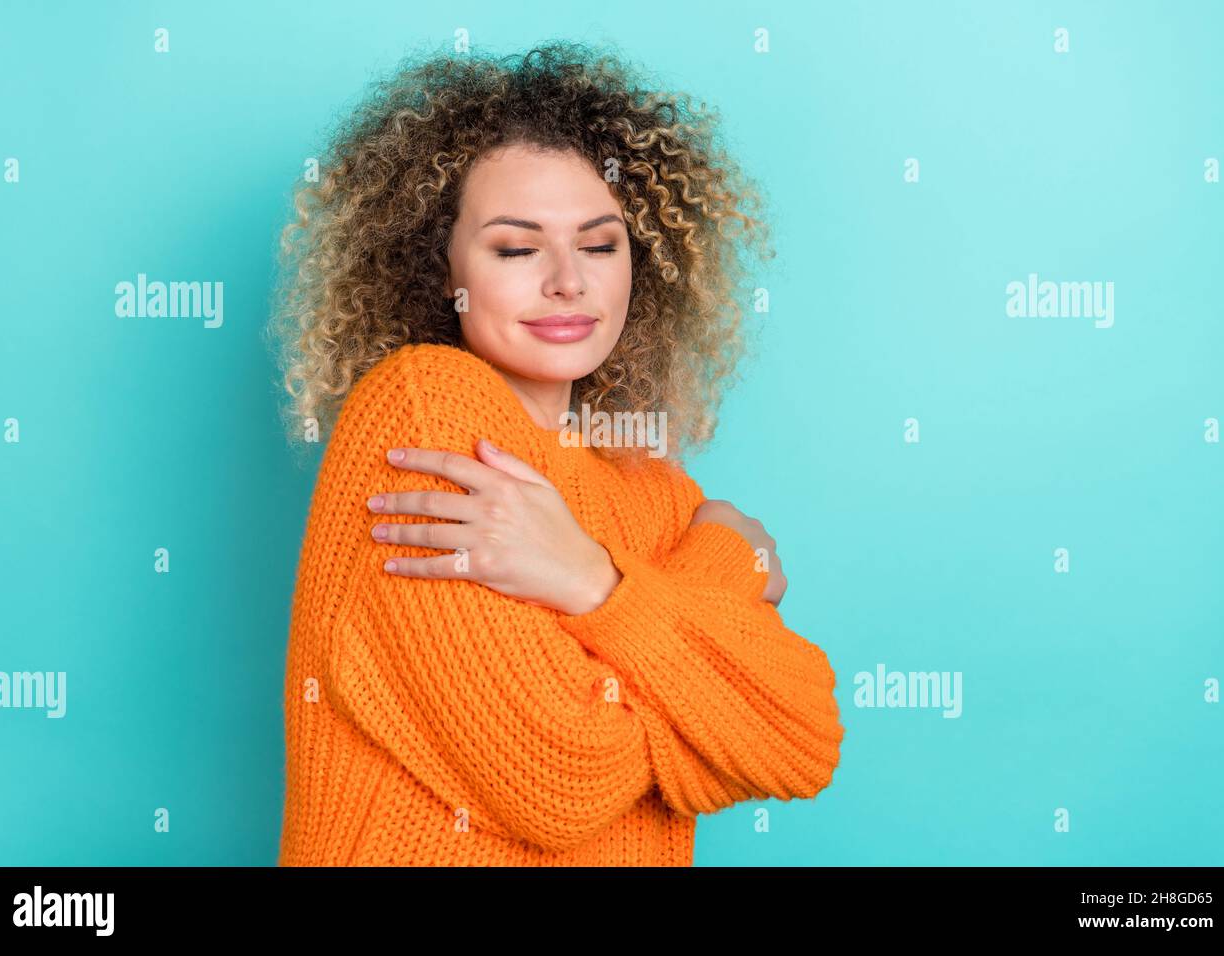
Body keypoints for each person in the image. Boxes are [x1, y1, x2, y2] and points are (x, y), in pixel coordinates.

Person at [269, 40, 845, 866]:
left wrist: (589, 579)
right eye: (516, 248)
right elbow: (562, 777)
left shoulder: (655, 488)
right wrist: (724, 562)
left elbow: (800, 737)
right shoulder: (423, 407)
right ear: (441, 267)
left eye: (601, 244)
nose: (568, 281)